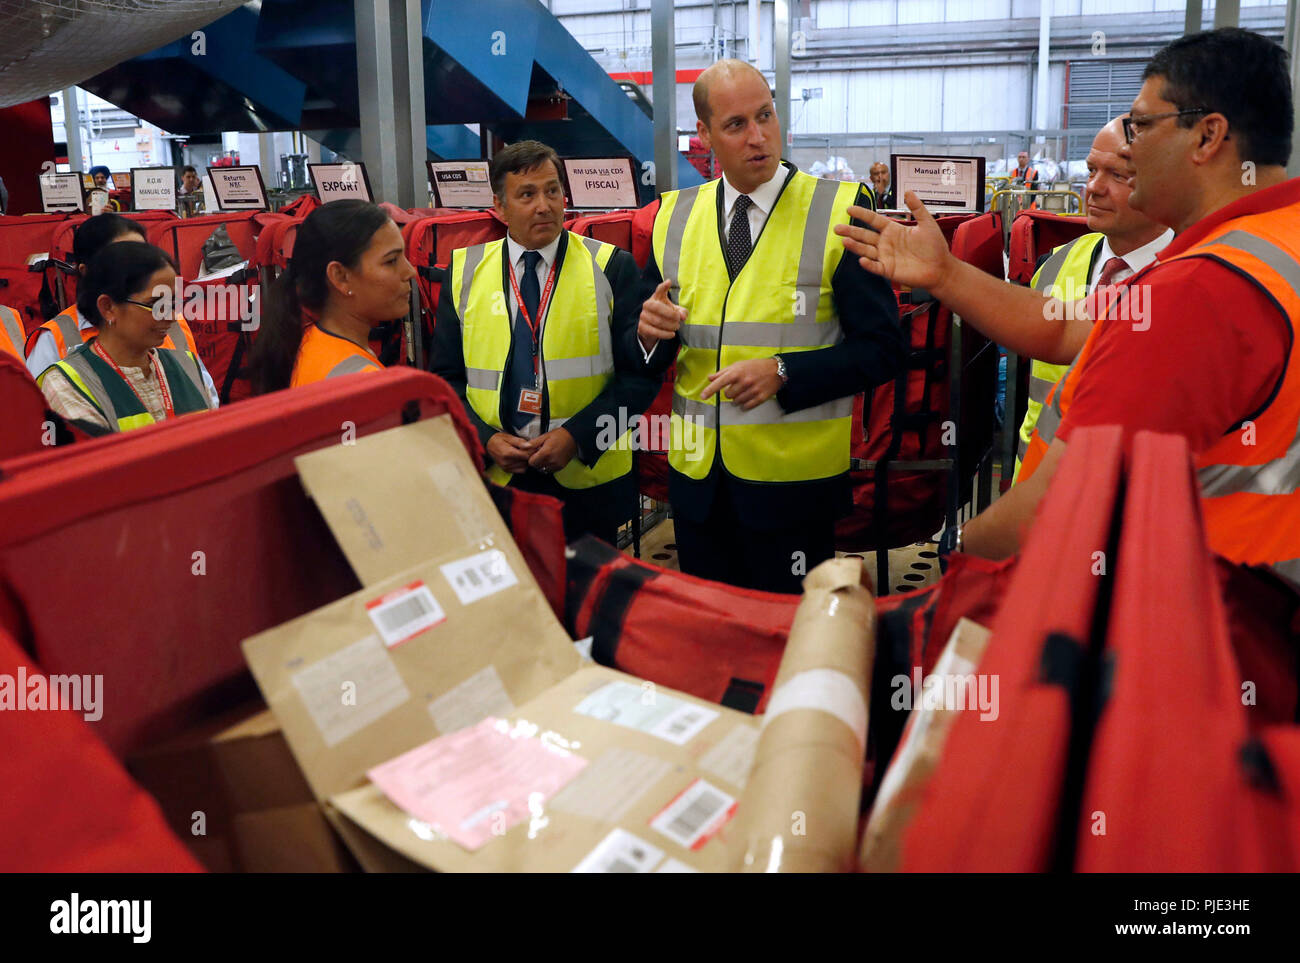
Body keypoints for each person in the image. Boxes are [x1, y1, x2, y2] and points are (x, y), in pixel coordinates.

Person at [838, 27, 1299, 590]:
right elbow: (1061, 331)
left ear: (1208, 136)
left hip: (1189, 602)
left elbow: (1056, 505)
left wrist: (959, 562)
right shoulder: (1272, 242)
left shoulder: (1201, 288)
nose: (1130, 149)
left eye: (1140, 127)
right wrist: (947, 274)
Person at [637, 59, 904, 594]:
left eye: (766, 116)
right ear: (705, 135)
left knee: (789, 650)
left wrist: (784, 371)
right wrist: (646, 334)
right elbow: (649, 345)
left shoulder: (840, 211)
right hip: (696, 487)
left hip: (793, 491)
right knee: (715, 643)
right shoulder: (671, 217)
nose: (758, 137)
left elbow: (883, 349)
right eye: (736, 125)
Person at [430, 141, 657, 545]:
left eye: (552, 191)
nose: (544, 205)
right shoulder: (463, 273)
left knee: (586, 602)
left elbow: (639, 379)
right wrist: (485, 439)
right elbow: (445, 381)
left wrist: (578, 436)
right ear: (499, 207)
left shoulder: (609, 267)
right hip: (499, 478)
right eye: (527, 194)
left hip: (587, 479)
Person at [1011, 116, 1173, 481]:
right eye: (1091, 170)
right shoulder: (1053, 265)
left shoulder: (1191, 276)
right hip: (1034, 494)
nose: (1093, 188)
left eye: (1118, 175)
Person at [25, 214, 211, 401]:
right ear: (86, 272)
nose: (141, 270)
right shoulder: (56, 337)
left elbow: (206, 395)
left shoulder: (173, 321)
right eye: (124, 260)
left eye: (144, 256)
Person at [36, 242, 212, 435]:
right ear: (108, 307)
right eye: (155, 304)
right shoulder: (66, 385)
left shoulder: (188, 365)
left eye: (173, 302)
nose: (171, 315)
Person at [246, 199, 414, 392]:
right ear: (340, 277)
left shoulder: (309, 344)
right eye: (391, 261)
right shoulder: (364, 384)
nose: (410, 272)